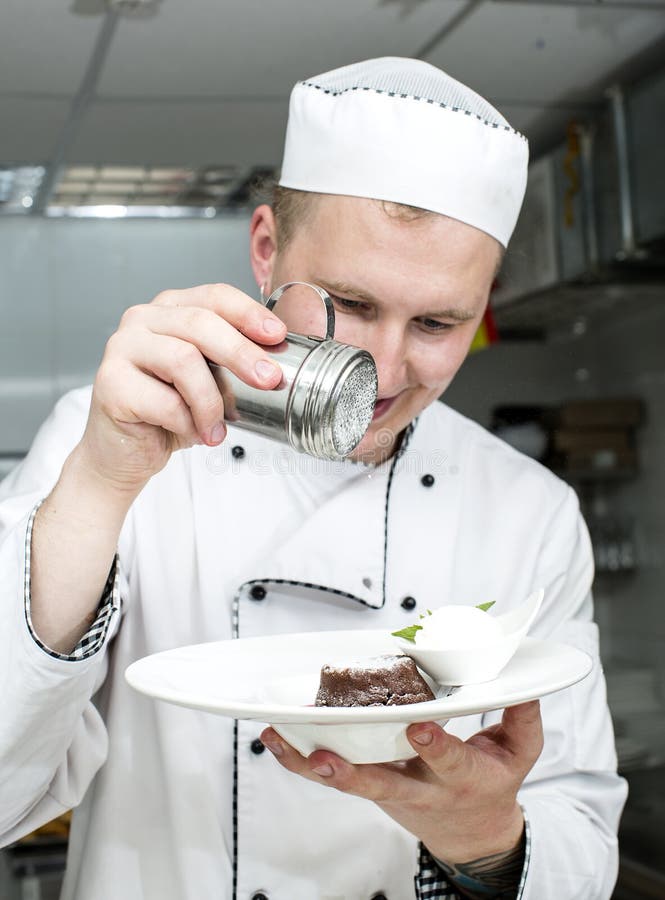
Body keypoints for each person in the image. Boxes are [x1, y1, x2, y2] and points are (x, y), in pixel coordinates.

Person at [0, 57, 626, 900]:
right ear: (266, 250)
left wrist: (485, 845)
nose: (386, 367)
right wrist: (100, 487)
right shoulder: (106, 438)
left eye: (438, 322)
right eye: (351, 305)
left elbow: (580, 856)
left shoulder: (529, 513)